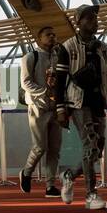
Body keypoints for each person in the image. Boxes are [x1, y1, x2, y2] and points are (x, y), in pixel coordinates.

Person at [53, 5, 107, 210]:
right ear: (78, 22)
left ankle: (69, 175)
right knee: (90, 146)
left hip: (99, 102)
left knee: (97, 150)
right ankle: (91, 195)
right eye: (89, 18)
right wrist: (60, 109)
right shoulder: (67, 48)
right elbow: (59, 80)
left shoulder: (103, 48)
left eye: (95, 18)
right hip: (79, 104)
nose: (94, 22)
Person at [19, 25, 63, 198]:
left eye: (54, 34)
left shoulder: (58, 57)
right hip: (38, 107)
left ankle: (50, 185)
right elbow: (25, 83)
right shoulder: (30, 57)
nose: (52, 37)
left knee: (55, 149)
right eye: (48, 35)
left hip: (56, 108)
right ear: (39, 38)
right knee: (40, 147)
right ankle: (27, 171)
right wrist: (45, 92)